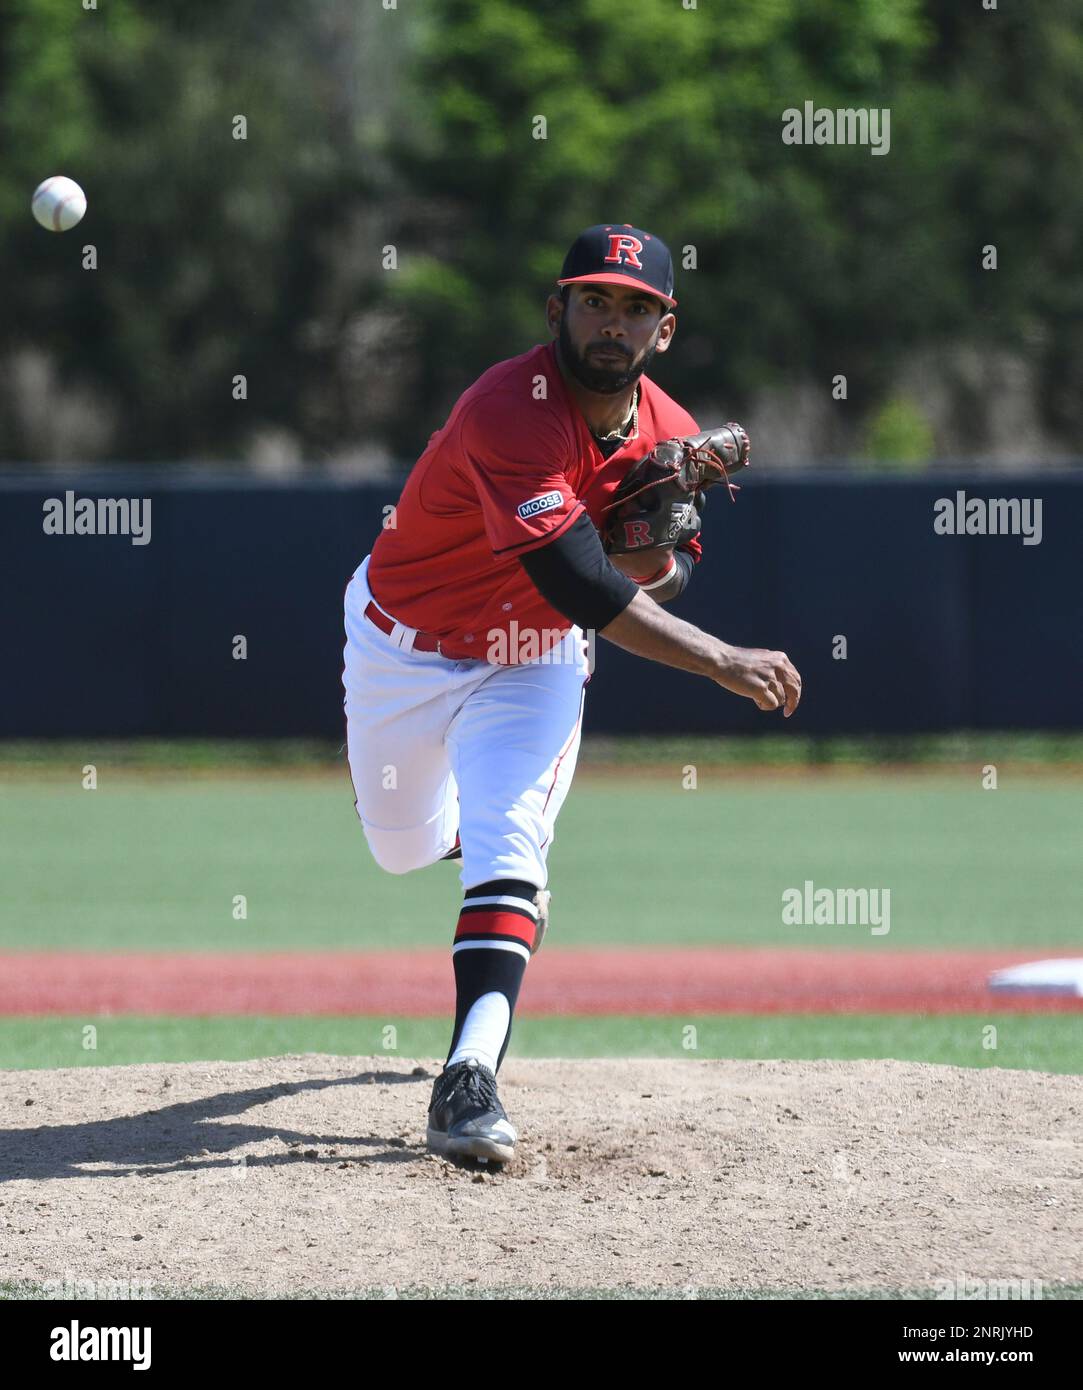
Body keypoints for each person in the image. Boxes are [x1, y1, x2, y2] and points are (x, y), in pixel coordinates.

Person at [341, 223, 801, 1164]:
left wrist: (655, 549)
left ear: (662, 332)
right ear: (557, 310)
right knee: (399, 851)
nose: (613, 322)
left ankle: (468, 1078)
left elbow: (651, 577)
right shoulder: (508, 408)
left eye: (638, 309)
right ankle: (482, 860)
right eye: (595, 299)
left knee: (511, 843)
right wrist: (719, 659)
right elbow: (583, 587)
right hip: (404, 648)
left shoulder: (668, 433)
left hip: (534, 662)